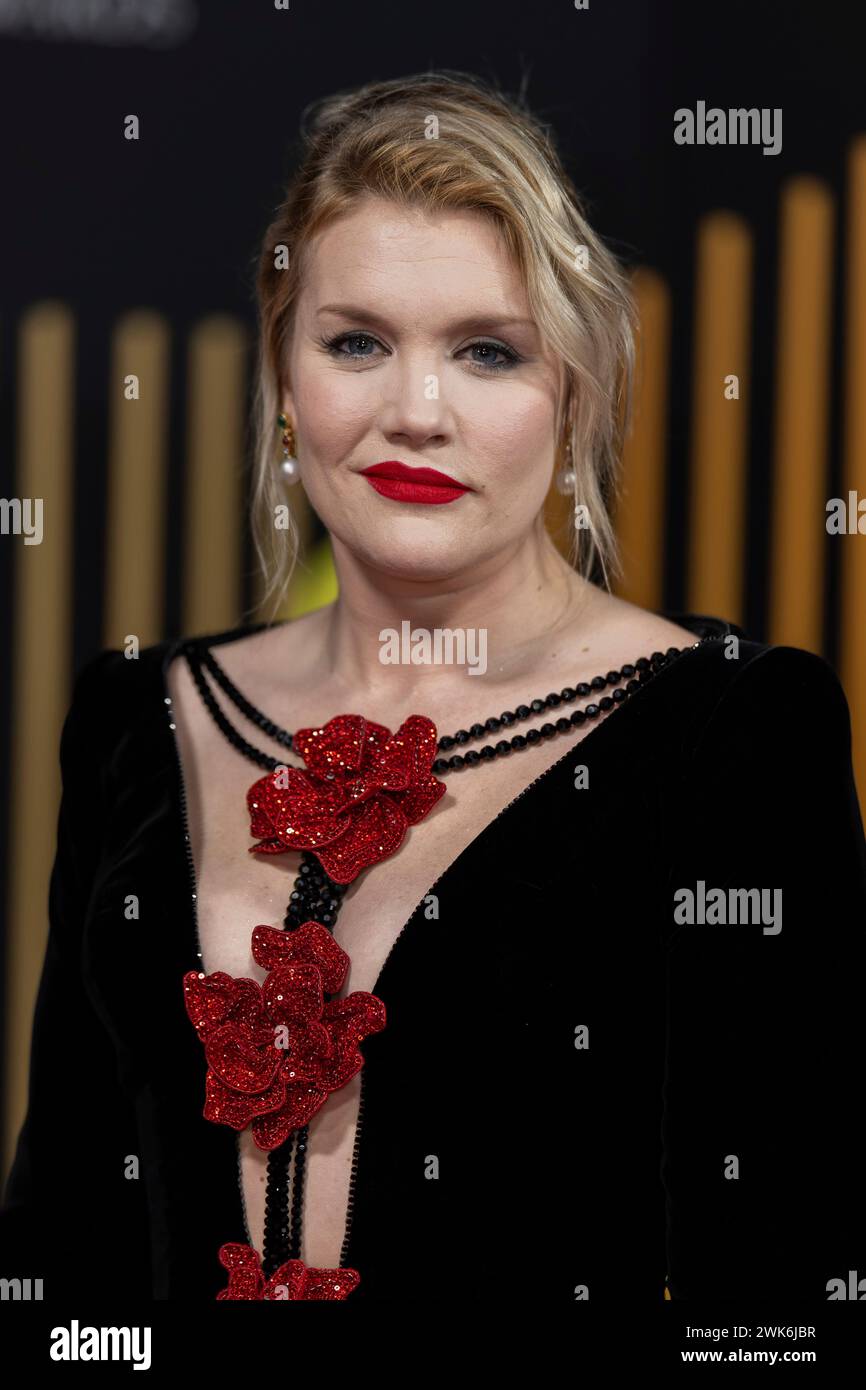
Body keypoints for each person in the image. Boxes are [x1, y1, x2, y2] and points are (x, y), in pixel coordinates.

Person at [2, 70, 864, 1303]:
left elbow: (781, 1282)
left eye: (486, 352)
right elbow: (63, 1239)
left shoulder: (731, 729)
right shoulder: (137, 714)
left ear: (569, 393)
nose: (415, 410)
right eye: (355, 341)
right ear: (284, 381)